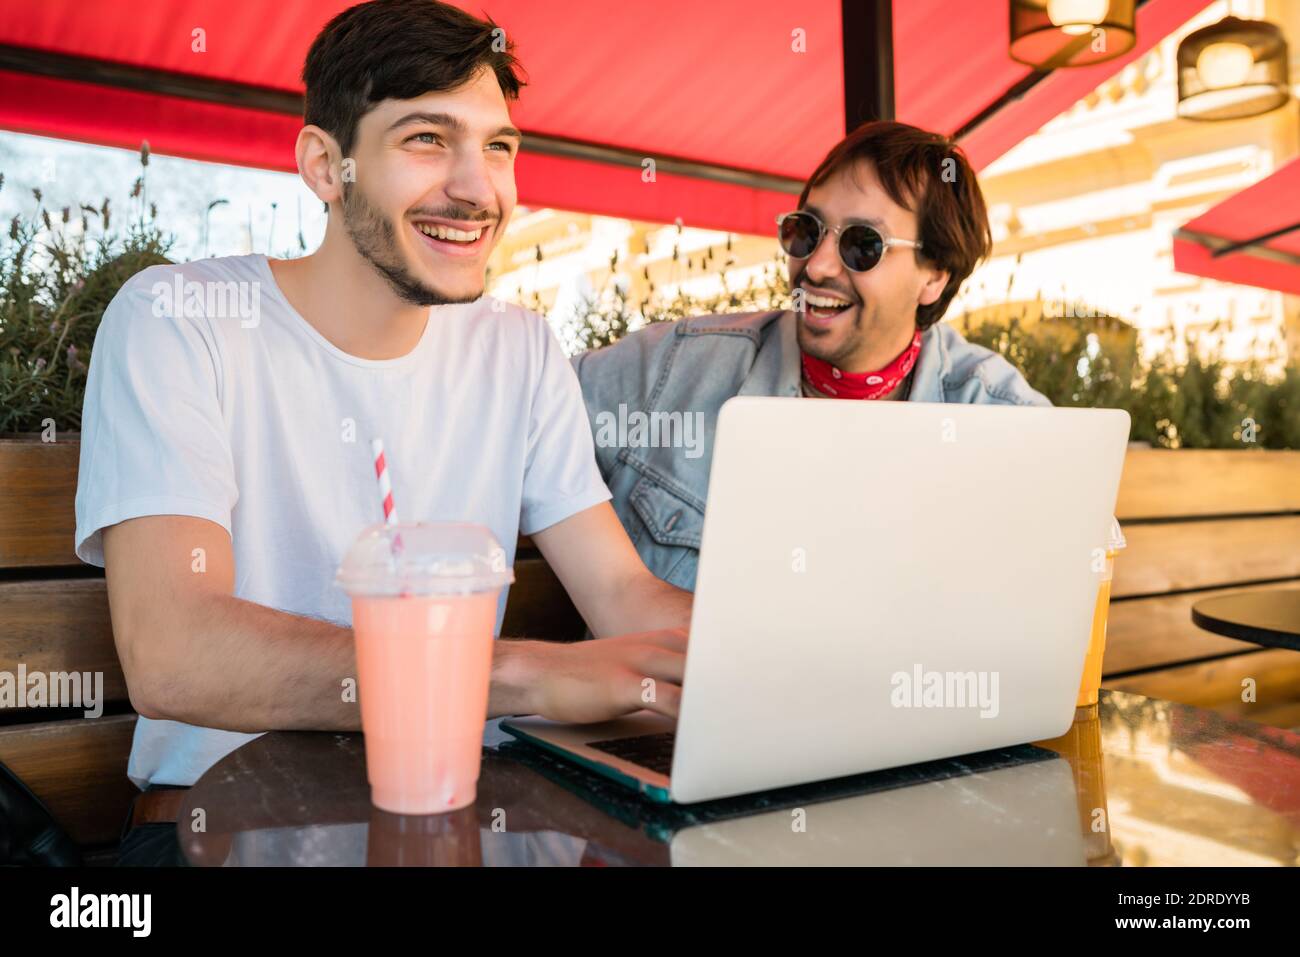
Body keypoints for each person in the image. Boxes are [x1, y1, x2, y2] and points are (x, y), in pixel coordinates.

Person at [75, 0, 691, 865]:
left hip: (462, 826)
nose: (478, 188)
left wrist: (783, 657)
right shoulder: (180, 319)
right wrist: (522, 673)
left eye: (499, 147)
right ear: (327, 167)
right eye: (427, 139)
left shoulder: (518, 349)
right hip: (226, 828)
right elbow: (175, 650)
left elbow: (625, 597)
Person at [573, 121, 1051, 591]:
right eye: (808, 230)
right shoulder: (674, 367)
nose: (817, 267)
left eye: (863, 245)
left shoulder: (999, 419)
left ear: (934, 277)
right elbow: (522, 406)